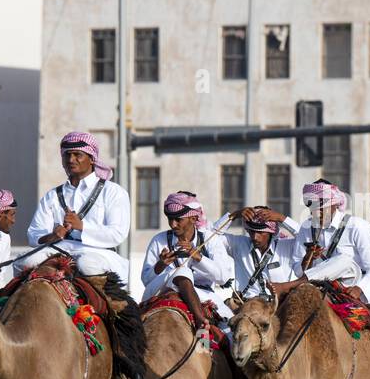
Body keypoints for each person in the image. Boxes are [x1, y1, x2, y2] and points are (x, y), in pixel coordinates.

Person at [21, 131, 133, 286]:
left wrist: (82, 227)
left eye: (77, 155)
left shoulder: (113, 191)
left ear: (92, 159)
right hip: (58, 250)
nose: (71, 159)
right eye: (67, 155)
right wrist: (51, 237)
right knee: (26, 261)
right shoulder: (52, 195)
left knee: (87, 264)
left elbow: (117, 234)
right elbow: (34, 233)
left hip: (98, 252)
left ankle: (111, 309)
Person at [271, 179, 370, 305]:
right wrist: (307, 259)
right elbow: (298, 270)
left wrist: (359, 289)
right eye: (312, 207)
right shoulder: (306, 227)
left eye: (321, 207)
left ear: (334, 204)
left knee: (344, 260)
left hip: (350, 288)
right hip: (320, 291)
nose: (317, 212)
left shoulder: (357, 225)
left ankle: (288, 286)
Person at [139, 191, 231, 326]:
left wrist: (198, 256)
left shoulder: (210, 240)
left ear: (193, 219)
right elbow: (146, 280)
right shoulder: (159, 240)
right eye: (170, 219)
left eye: (178, 220)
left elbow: (223, 277)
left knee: (230, 328)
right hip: (161, 290)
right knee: (183, 272)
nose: (172, 224)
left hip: (203, 294)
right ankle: (200, 321)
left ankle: (206, 339)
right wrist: (160, 265)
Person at [219, 206, 304, 298]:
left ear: (271, 232)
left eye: (260, 232)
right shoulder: (239, 244)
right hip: (247, 306)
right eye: (252, 232)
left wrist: (281, 218)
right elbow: (210, 238)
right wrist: (234, 215)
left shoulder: (286, 246)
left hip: (278, 306)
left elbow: (305, 237)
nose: (255, 237)